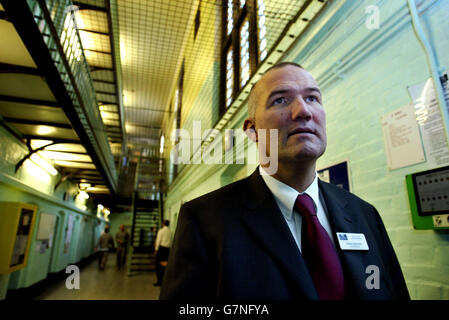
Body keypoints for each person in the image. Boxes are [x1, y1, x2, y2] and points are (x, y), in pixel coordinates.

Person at [160, 62, 410, 300]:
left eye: (312, 98)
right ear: (252, 130)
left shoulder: (364, 215)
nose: (303, 111)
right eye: (281, 100)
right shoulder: (204, 221)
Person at [154, 220, 172, 286]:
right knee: (165, 265)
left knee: (158, 266)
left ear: (163, 224)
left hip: (161, 249)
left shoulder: (161, 231)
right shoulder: (170, 232)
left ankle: (159, 281)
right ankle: (165, 281)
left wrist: (156, 249)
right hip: (167, 250)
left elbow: (158, 240)